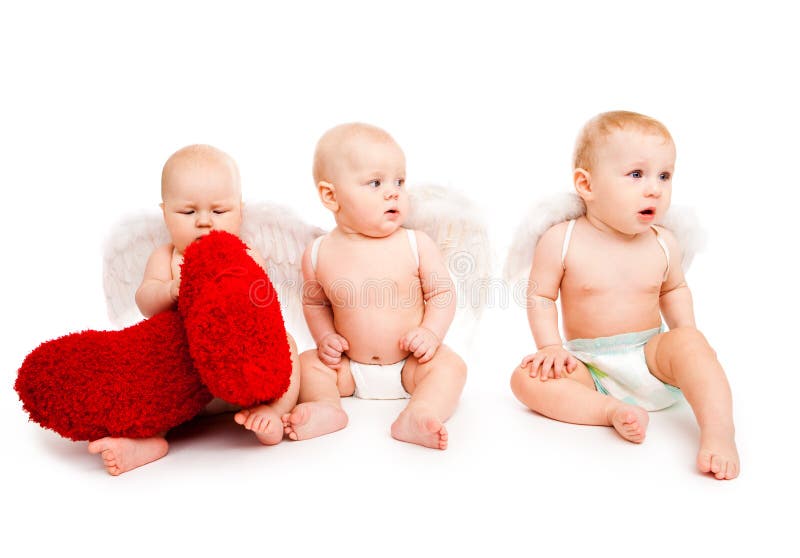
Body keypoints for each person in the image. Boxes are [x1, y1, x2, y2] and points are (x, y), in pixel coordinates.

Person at [509, 111, 740, 480]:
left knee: (693, 348)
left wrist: (686, 337)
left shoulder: (663, 242)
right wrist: (550, 347)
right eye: (637, 175)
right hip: (589, 366)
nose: (655, 189)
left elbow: (675, 289)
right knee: (524, 379)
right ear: (586, 185)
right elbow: (540, 296)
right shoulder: (562, 239)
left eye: (664, 176)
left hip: (650, 357)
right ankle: (607, 411)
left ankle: (719, 433)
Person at [88, 144, 300, 475]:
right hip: (189, 379)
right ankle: (148, 440)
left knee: (287, 343)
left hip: (238, 374)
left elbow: (263, 308)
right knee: (150, 377)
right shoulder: (166, 257)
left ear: (240, 211)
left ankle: (273, 410)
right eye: (188, 213)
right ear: (165, 212)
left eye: (219, 211)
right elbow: (145, 302)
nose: (204, 222)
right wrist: (170, 290)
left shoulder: (246, 254)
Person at [282, 123, 467, 450]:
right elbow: (315, 304)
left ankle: (420, 412)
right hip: (349, 369)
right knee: (307, 364)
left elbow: (442, 293)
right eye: (375, 182)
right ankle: (327, 407)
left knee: (451, 367)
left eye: (399, 181)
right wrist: (325, 338)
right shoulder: (318, 253)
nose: (393, 191)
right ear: (331, 195)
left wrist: (430, 333)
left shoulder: (415, 243)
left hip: (411, 365)